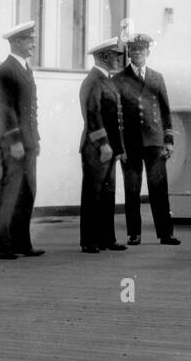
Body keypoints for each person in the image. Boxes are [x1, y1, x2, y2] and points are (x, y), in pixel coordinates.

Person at [115, 33, 180, 246]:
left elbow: (165, 111)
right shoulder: (119, 79)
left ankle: (166, 233)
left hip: (154, 141)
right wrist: (119, 146)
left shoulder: (156, 78)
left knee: (159, 188)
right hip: (130, 143)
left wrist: (168, 140)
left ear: (148, 53)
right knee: (132, 189)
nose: (137, 54)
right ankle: (134, 233)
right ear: (129, 53)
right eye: (133, 51)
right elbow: (116, 115)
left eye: (141, 51)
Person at [0, 21, 44, 260]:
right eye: (29, 39)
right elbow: (5, 111)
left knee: (27, 193)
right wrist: (15, 142)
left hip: (28, 142)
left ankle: (22, 242)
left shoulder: (25, 68)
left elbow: (30, 110)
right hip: (13, 143)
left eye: (32, 38)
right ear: (17, 42)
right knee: (10, 193)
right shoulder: (6, 70)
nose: (33, 43)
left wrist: (34, 140)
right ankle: (2, 246)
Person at [77, 37, 128, 254]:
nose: (119, 59)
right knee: (94, 194)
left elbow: (114, 119)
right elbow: (92, 115)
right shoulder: (93, 80)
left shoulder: (106, 79)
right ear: (105, 56)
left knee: (107, 194)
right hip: (96, 147)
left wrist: (119, 148)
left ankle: (106, 238)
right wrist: (103, 144)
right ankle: (89, 240)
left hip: (108, 148)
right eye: (116, 56)